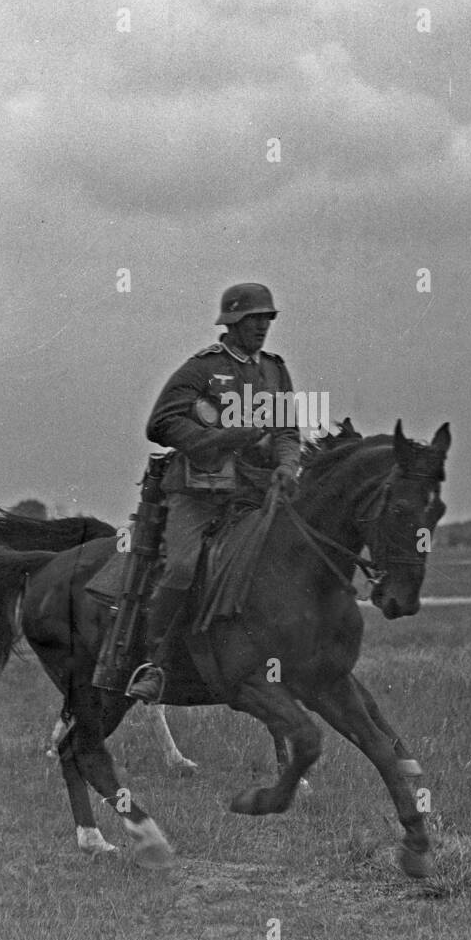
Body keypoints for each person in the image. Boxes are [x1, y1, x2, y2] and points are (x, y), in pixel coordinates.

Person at [96, 282, 301, 704]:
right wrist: (224, 437)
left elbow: (286, 432)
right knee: (183, 567)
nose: (262, 327)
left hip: (254, 492)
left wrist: (286, 467)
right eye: (254, 319)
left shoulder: (275, 371)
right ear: (233, 323)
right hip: (198, 492)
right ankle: (154, 664)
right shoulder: (202, 369)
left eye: (267, 319)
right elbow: (160, 424)